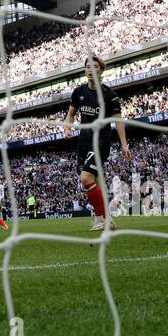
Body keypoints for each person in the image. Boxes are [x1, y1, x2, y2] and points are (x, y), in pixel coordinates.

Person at [66, 57, 130, 232]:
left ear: (101, 71)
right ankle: (106, 219)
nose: (91, 70)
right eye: (88, 67)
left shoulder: (110, 95)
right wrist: (67, 127)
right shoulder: (78, 92)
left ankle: (100, 220)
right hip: (83, 141)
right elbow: (71, 114)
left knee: (86, 178)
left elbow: (118, 122)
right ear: (85, 70)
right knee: (96, 183)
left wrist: (124, 144)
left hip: (101, 141)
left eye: (95, 67)